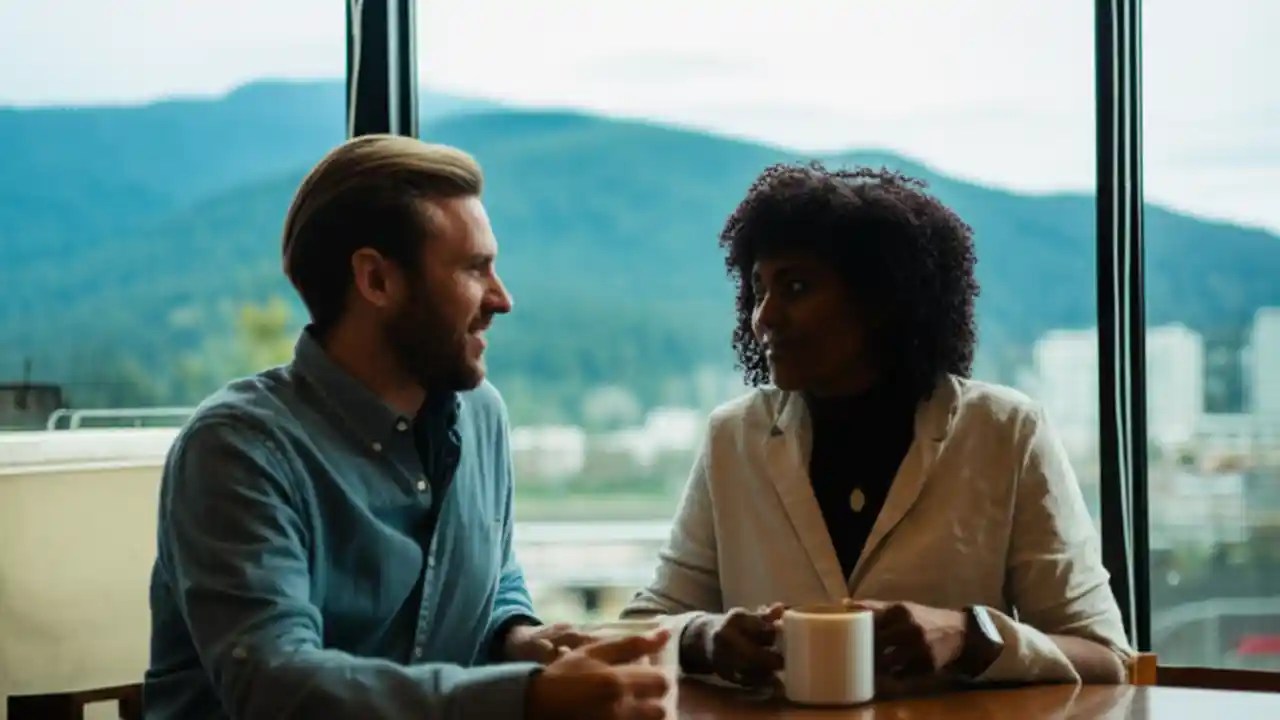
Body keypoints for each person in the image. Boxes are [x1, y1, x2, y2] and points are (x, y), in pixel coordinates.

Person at [144, 135, 671, 720]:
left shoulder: (482, 416)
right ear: (376, 282)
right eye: (475, 270)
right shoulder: (238, 450)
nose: (502, 298)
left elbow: (494, 578)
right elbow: (275, 684)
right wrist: (526, 697)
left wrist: (518, 638)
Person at [622, 163, 1133, 691]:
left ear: (881, 301)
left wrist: (967, 635)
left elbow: (1103, 655)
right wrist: (702, 639)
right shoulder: (734, 436)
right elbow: (643, 626)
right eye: (758, 289)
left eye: (795, 287)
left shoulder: (1006, 432)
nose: (764, 317)